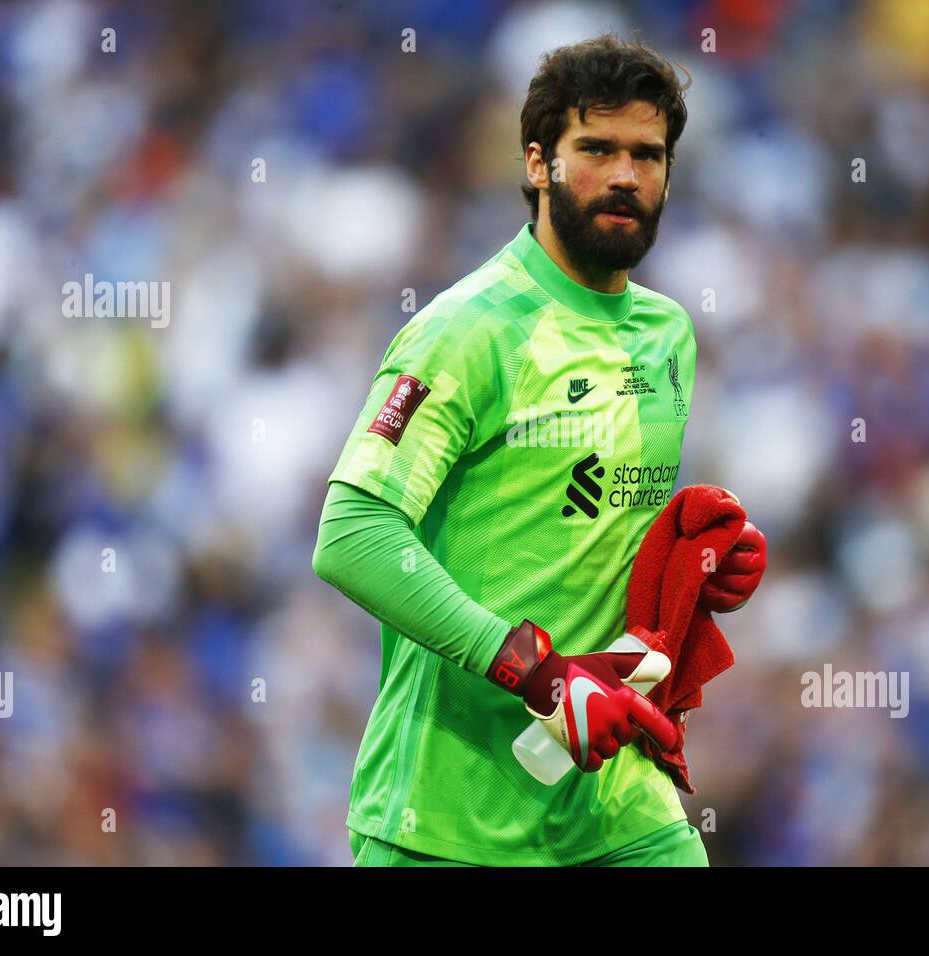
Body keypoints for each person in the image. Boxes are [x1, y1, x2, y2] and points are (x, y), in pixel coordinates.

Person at [313, 33, 755, 866]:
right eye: (596, 149)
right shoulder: (469, 331)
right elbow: (351, 536)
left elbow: (590, 532)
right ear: (537, 162)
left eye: (647, 155)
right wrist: (539, 675)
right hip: (451, 816)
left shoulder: (668, 336)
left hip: (614, 799)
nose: (626, 176)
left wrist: (698, 568)